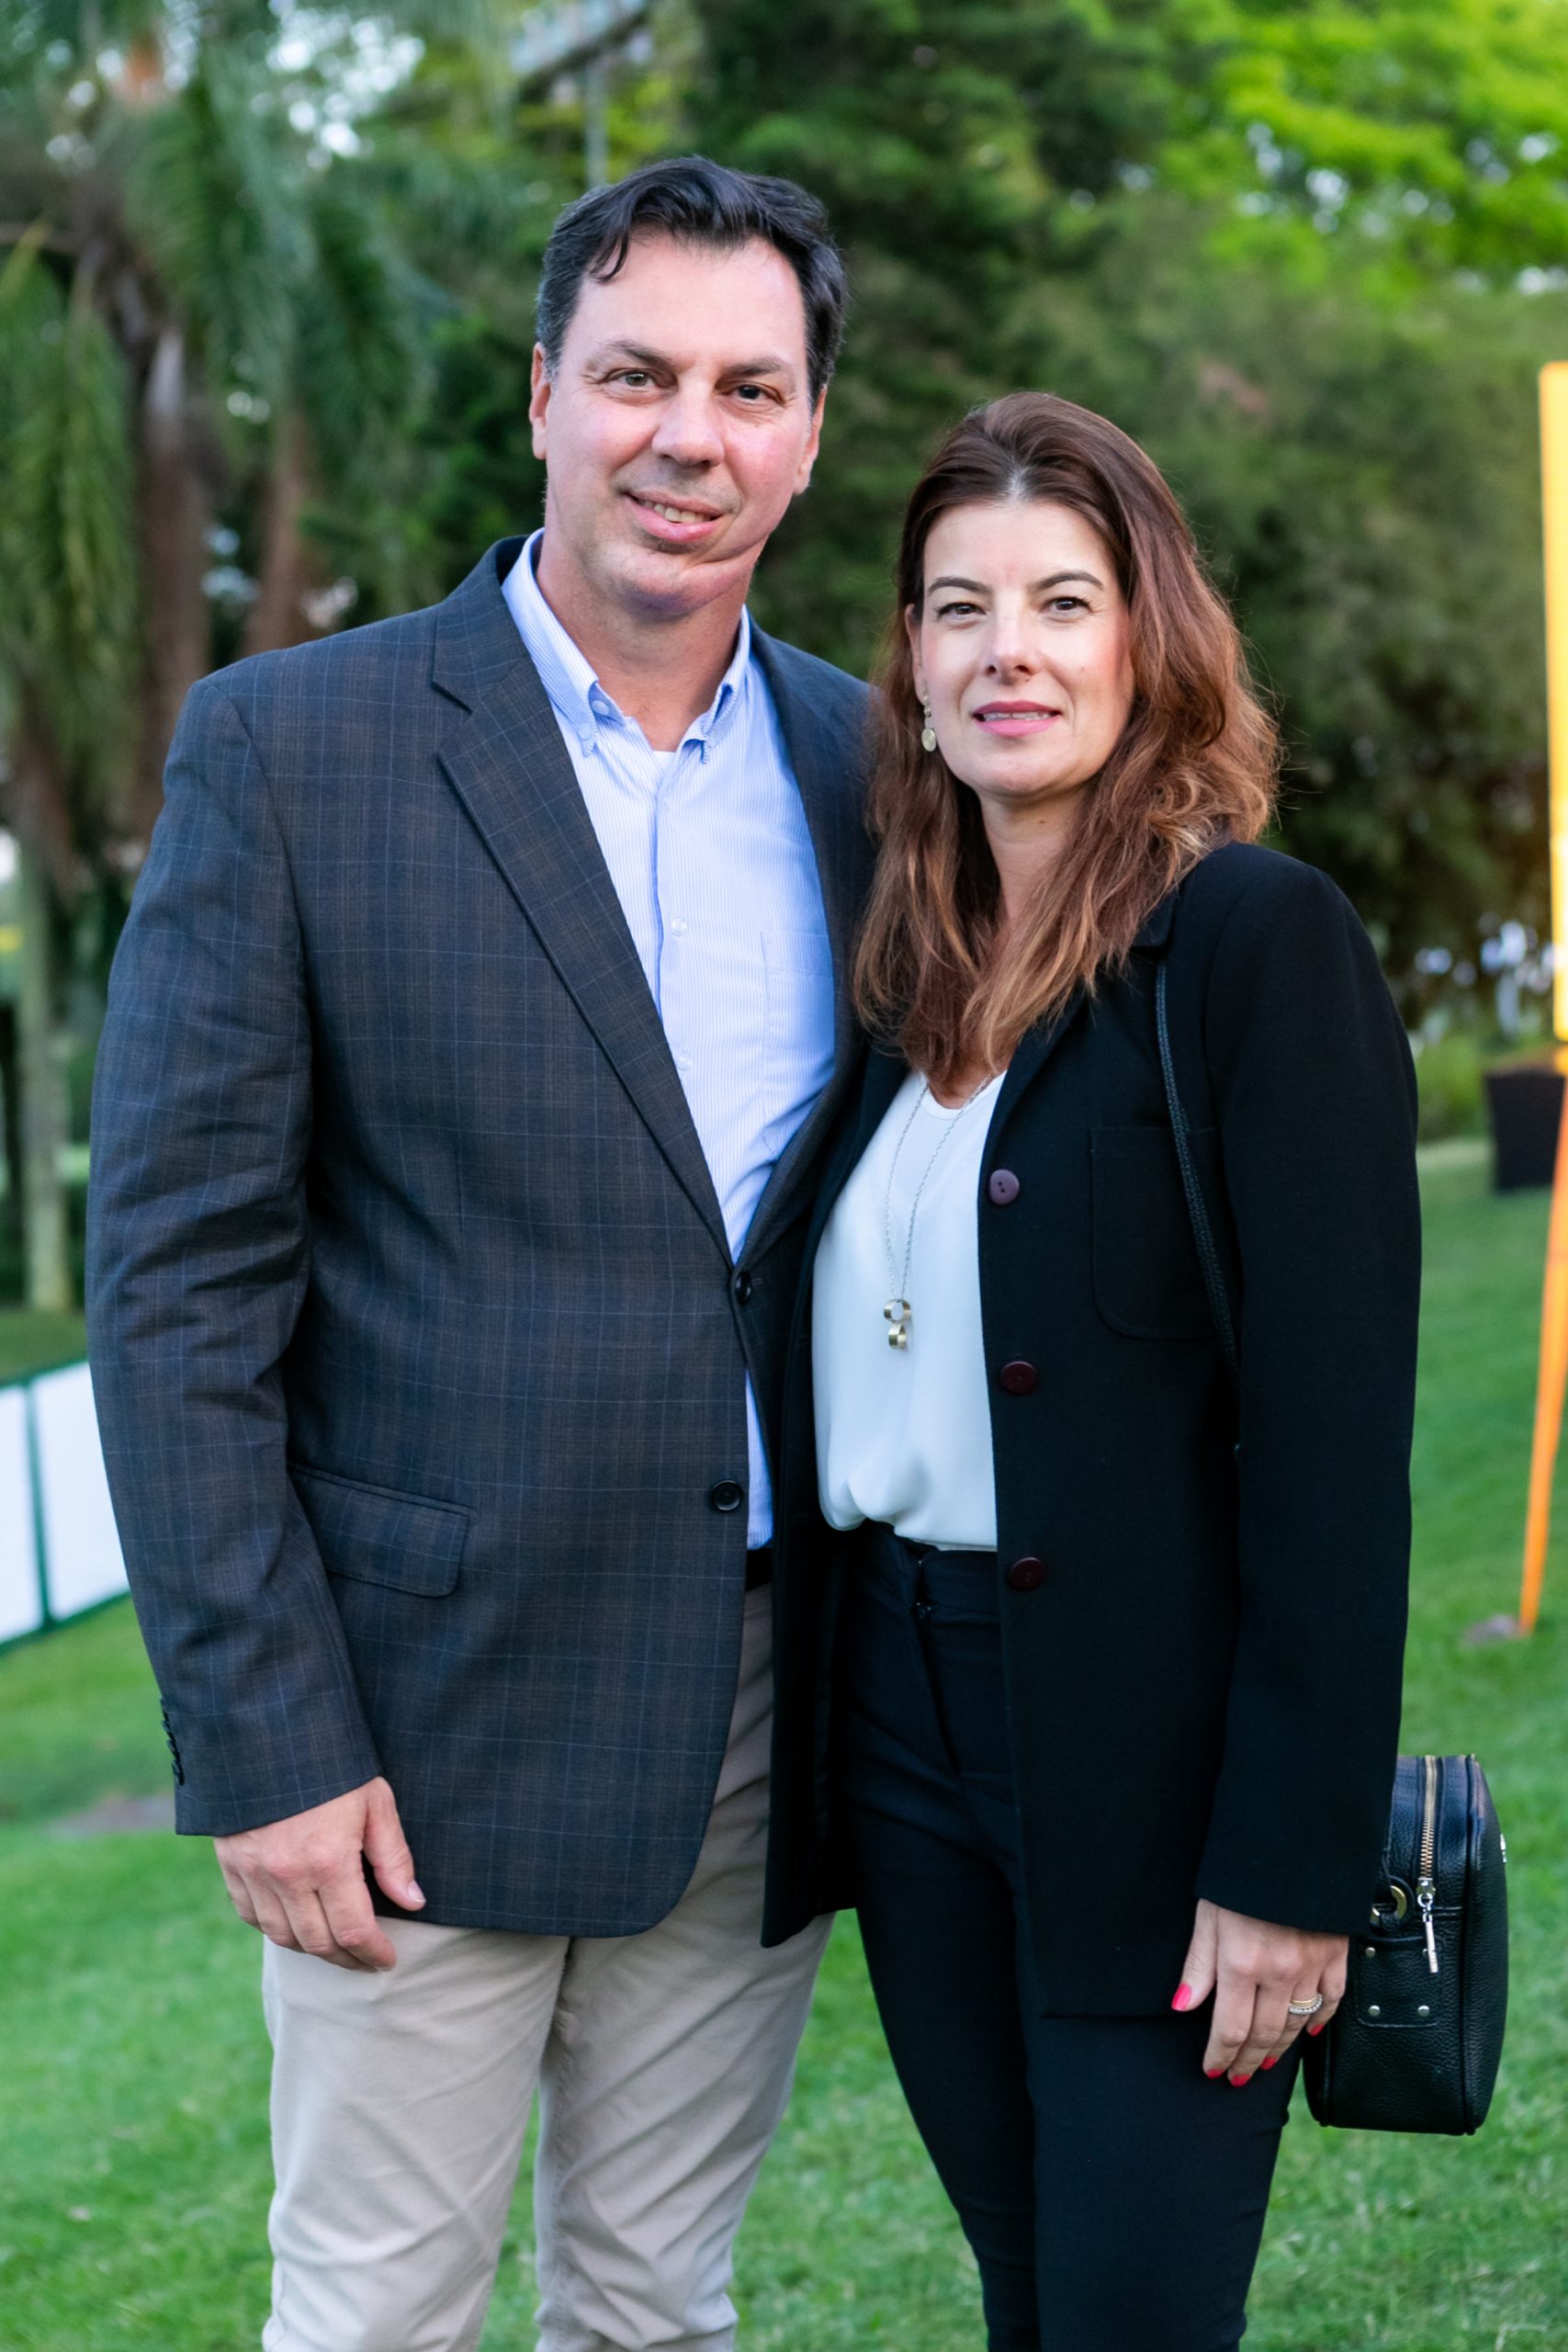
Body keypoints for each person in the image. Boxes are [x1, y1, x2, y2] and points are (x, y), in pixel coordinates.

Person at [85, 156, 873, 2352]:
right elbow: (175, 1290)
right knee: (377, 2315)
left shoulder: (862, 763)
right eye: (633, 373)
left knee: (655, 2303)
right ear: (542, 394)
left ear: (808, 431)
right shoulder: (294, 749)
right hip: (404, 1733)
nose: (685, 437)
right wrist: (259, 1739)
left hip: (750, 1707)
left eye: (747, 385)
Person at [761, 392, 1421, 2351]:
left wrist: (1288, 1869)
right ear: (908, 657)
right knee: (1030, 2288)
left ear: (1147, 636)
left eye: (1062, 599)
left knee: (1131, 2307)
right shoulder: (900, 983)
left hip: (1153, 1758)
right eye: (955, 607)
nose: (1006, 651)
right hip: (903, 1731)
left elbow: (1329, 1452)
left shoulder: (1251, 948)